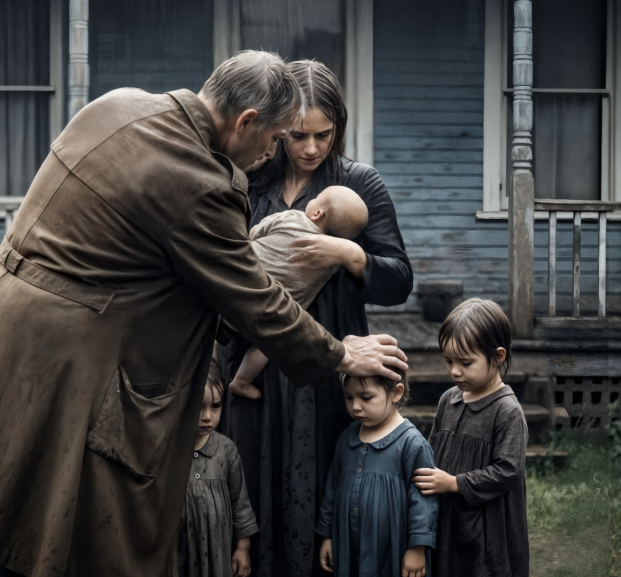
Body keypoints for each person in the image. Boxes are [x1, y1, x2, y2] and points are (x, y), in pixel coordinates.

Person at [0, 50, 409, 577]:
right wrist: (339, 352)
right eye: (274, 139)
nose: (274, 154)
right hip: (61, 343)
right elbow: (254, 300)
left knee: (20, 490)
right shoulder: (200, 181)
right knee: (54, 509)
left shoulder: (122, 104)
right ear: (246, 122)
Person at [220, 60, 413, 576]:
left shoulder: (357, 185)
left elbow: (398, 279)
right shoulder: (252, 179)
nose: (309, 147)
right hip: (254, 362)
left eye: (322, 134)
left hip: (328, 366)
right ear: (279, 129)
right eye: (297, 135)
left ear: (339, 126)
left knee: (321, 488)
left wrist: (347, 255)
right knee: (254, 487)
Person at [411, 299, 529, 577]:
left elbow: (509, 470)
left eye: (465, 362)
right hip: (449, 516)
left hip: (489, 524)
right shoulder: (448, 400)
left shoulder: (506, 410)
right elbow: (432, 450)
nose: (454, 371)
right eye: (449, 361)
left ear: (498, 356)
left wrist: (454, 483)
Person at [229, 185, 369, 400]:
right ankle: (241, 382)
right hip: (271, 313)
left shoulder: (293, 218)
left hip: (235, 286)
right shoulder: (334, 260)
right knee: (265, 347)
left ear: (317, 213)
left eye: (317, 197)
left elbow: (255, 232)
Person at [316, 370, 437, 577]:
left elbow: (423, 501)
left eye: (366, 397)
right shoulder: (347, 438)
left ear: (396, 393)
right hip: (347, 546)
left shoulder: (412, 444)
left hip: (392, 552)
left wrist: (417, 548)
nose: (355, 406)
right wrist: (327, 536)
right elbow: (332, 489)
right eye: (348, 397)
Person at [178, 357, 257, 577]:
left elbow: (240, 504)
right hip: (179, 554)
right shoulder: (171, 451)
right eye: (198, 406)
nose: (207, 417)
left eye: (215, 406)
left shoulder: (226, 450)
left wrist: (242, 549)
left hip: (217, 555)